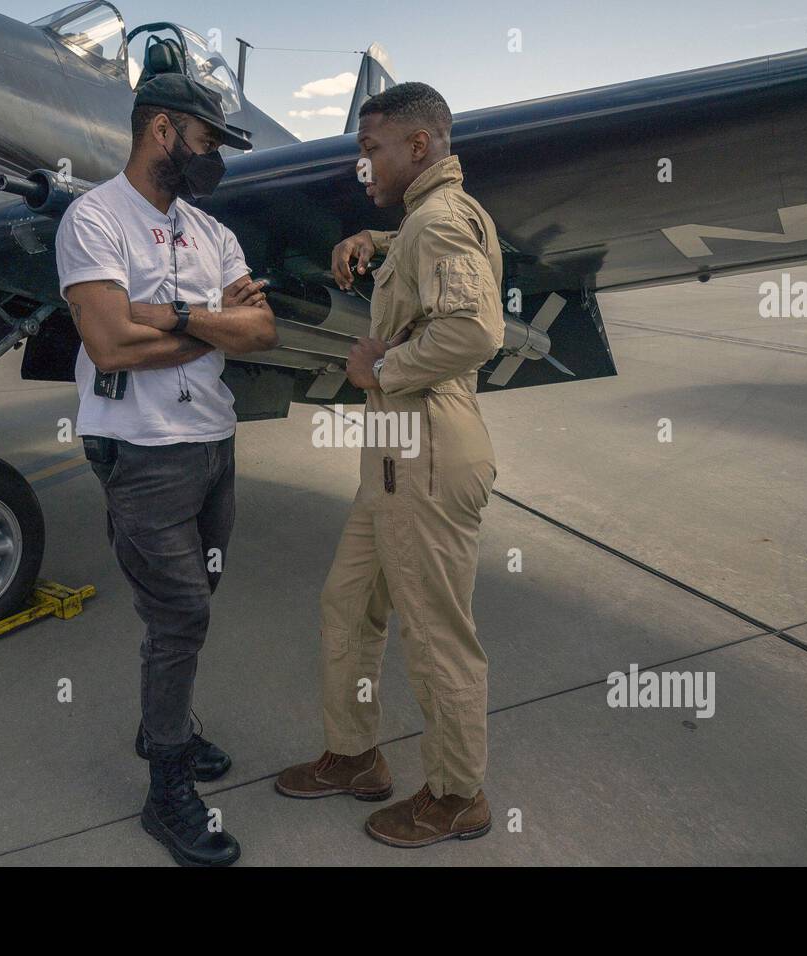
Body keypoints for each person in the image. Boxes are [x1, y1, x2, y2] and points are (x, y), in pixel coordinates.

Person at [275, 82, 505, 848]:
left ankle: (455, 796)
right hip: (396, 457)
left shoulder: (438, 221)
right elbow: (423, 281)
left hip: (427, 451)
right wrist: (372, 244)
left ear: (419, 147)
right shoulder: (421, 223)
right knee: (349, 605)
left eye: (371, 149)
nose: (361, 164)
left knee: (436, 636)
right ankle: (354, 755)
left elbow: (475, 331)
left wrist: (384, 370)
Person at [55, 73, 276, 867]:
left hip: (213, 443)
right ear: (162, 132)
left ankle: (166, 723)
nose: (214, 157)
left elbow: (262, 330)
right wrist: (215, 330)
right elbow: (110, 344)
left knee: (191, 605)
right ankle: (167, 787)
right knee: (180, 615)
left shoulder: (212, 232)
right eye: (208, 140)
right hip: (141, 454)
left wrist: (177, 318)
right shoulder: (93, 221)